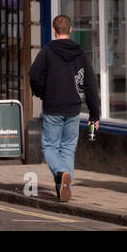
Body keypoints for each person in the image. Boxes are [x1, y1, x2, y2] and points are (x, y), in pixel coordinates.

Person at [29, 14, 100, 203]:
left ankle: (61, 174)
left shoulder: (47, 52)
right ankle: (64, 184)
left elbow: (34, 75)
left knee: (50, 146)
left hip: (53, 107)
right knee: (68, 148)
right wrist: (95, 114)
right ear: (70, 30)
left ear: (54, 30)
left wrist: (42, 92)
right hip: (74, 108)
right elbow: (90, 84)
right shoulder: (80, 54)